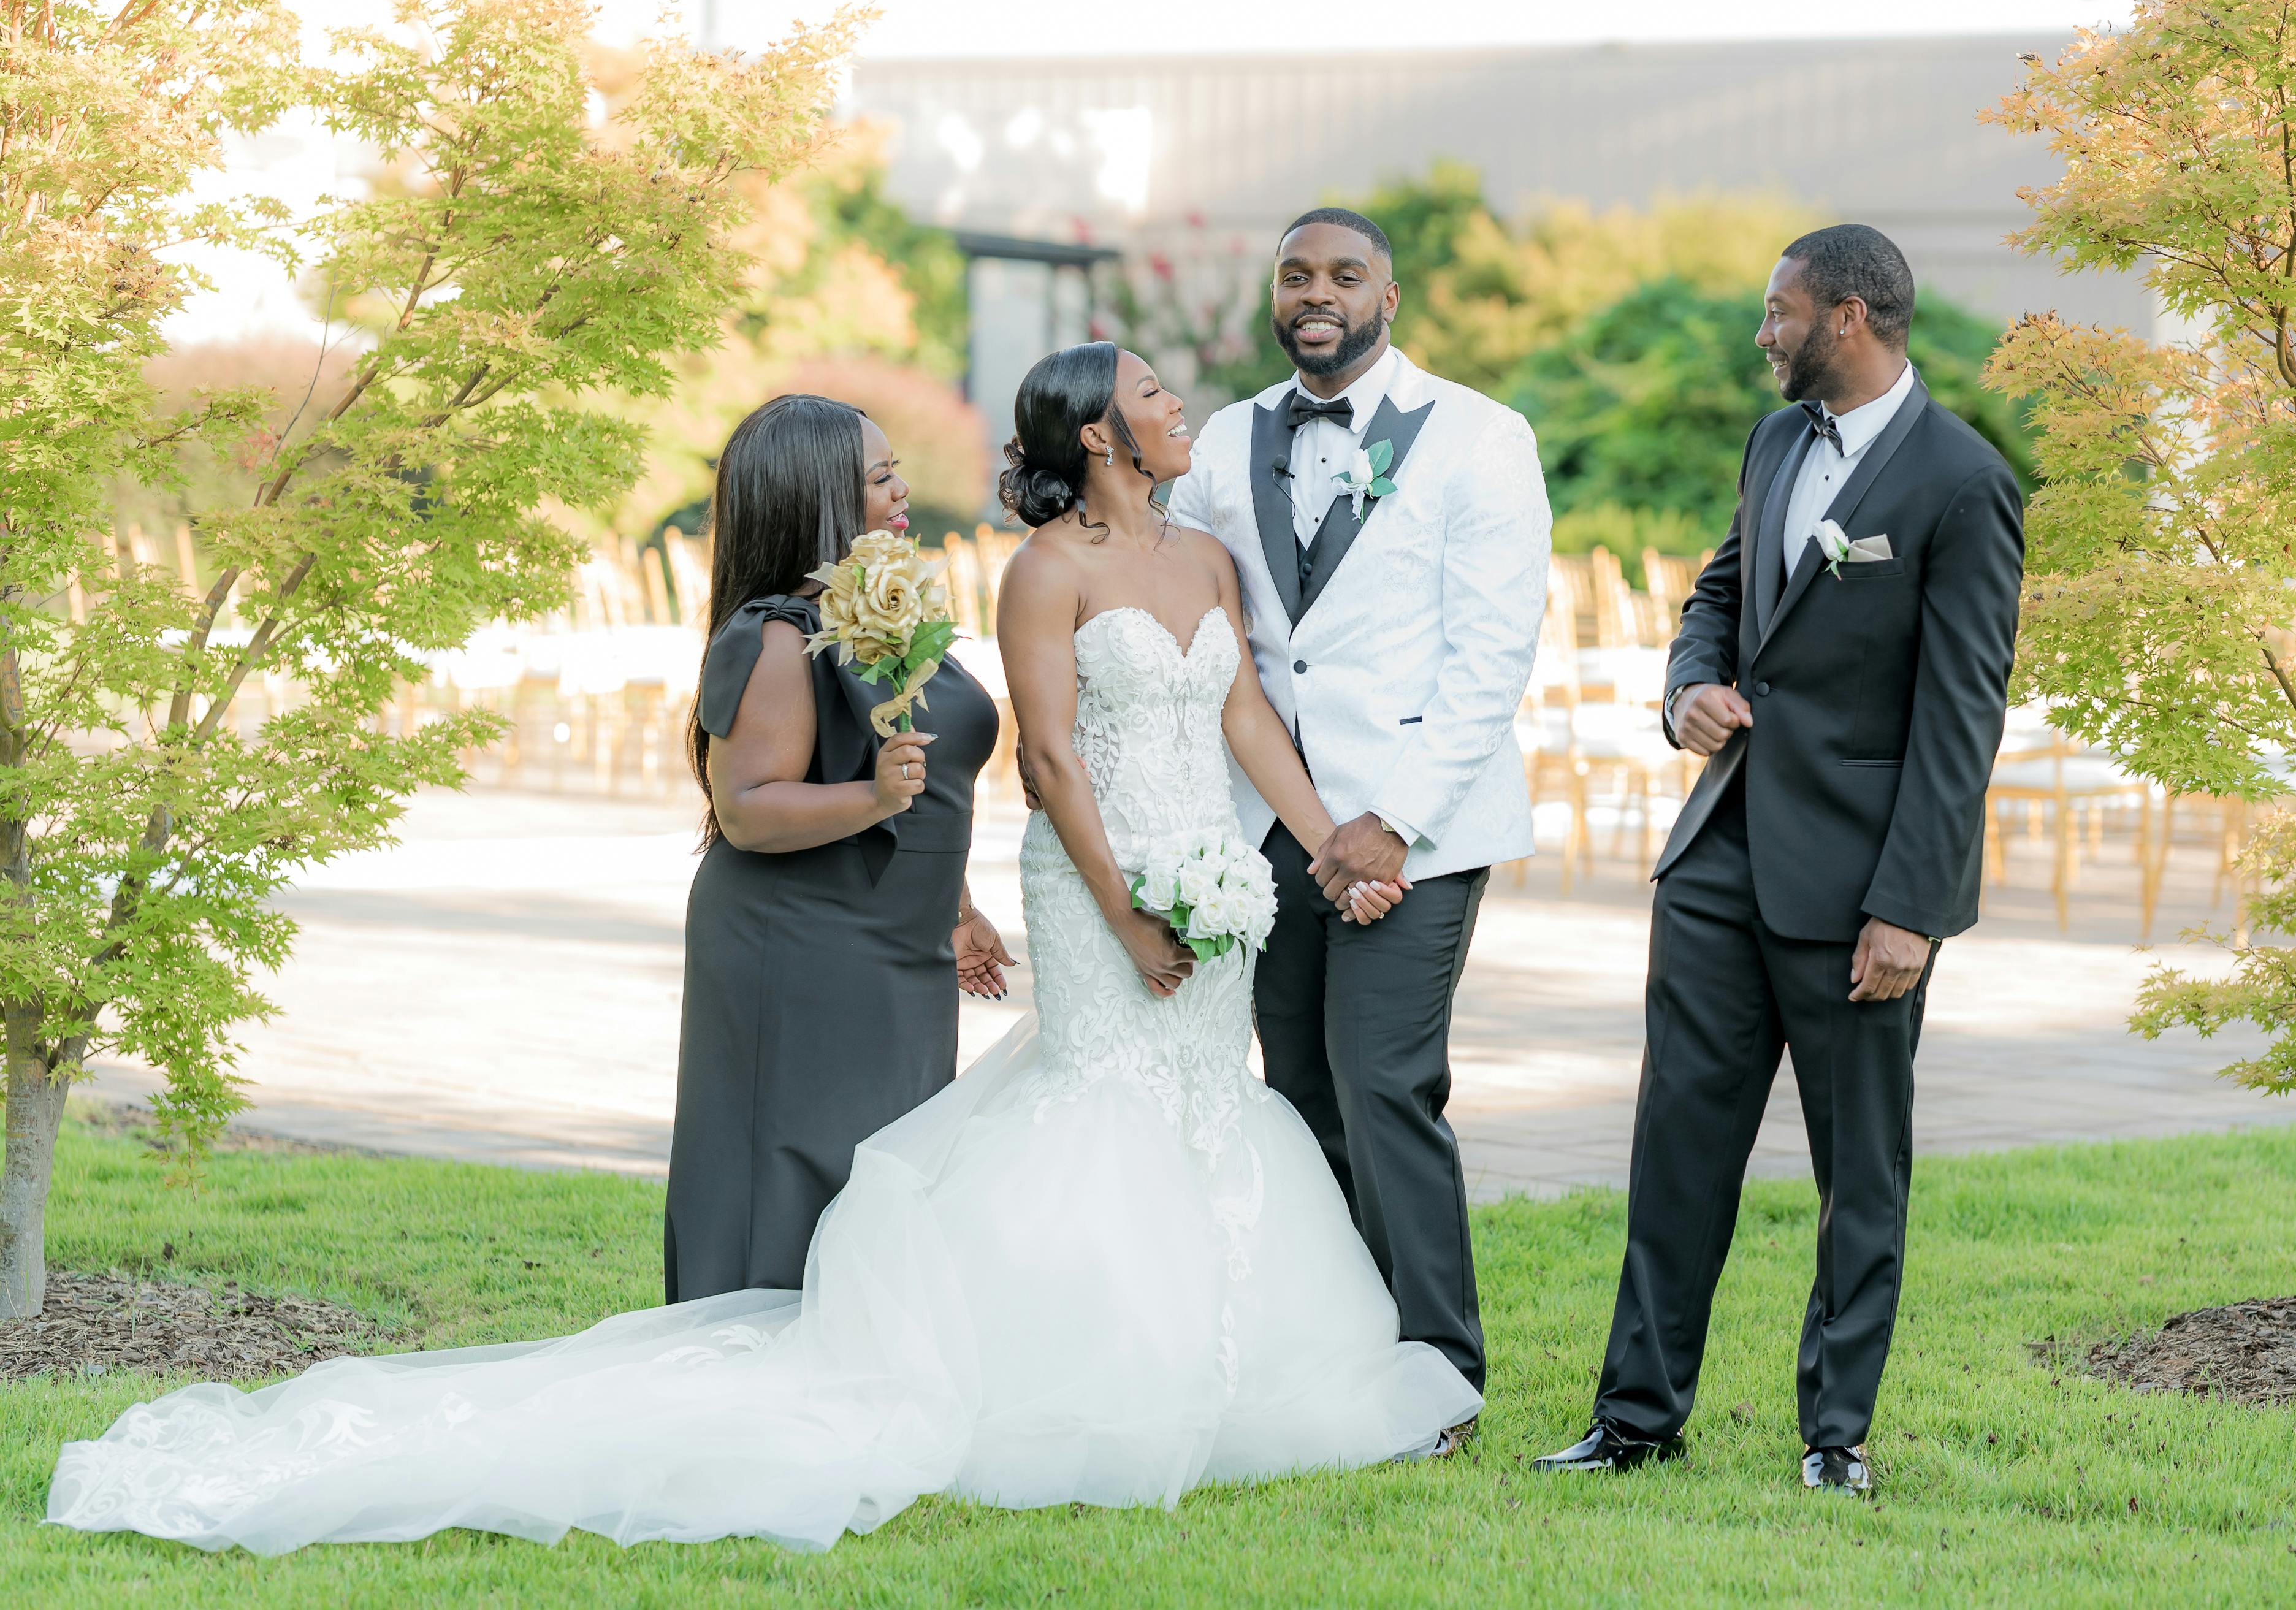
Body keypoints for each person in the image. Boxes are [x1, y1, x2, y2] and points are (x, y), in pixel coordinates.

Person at [45, 346, 1476, 1555]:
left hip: (978, 917)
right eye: (872, 475)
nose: (898, 489)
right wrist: (1085, 892)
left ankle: (1135, 1359)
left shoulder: (997, 587)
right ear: (1100, 434)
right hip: (908, 922)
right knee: (928, 1143)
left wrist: (1316, 840)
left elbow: (1140, 735)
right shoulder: (861, 614)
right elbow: (960, 765)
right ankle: (811, 1352)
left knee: (1046, 1137)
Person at [1533, 224, 2024, 1496]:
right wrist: (1686, 687)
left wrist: (1910, 907)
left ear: (1847, 316)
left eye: (1776, 310)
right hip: (1717, 857)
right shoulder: (1769, 445)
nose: (1761, 331)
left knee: (1857, 1169)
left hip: (1859, 890)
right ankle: (1634, 1417)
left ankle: (1833, 1437)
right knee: (1673, 1145)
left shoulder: (1960, 482)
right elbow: (1715, 597)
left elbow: (1959, 717)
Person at [1166, 207, 1552, 1406]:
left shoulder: (1481, 437)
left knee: (1385, 1081)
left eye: (1341, 274)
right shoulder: (1223, 443)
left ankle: (1437, 1368)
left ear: (1389, 294)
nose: (1313, 293)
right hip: (1267, 823)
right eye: (1293, 275)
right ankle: (1330, 1348)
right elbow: (1201, 630)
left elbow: (1490, 654)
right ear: (1273, 297)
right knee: (1296, 1092)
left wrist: (1389, 819)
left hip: (1415, 829)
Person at [668, 392, 1012, 1303]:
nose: (904, 490)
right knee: (786, 1181)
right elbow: (745, 807)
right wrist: (868, 797)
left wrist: (961, 907)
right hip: (801, 944)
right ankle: (748, 1384)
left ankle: (850, 1385)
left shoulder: (878, 620)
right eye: (881, 475)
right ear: (817, 495)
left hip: (900, 947)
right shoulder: (777, 635)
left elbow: (920, 782)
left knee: (881, 1181)